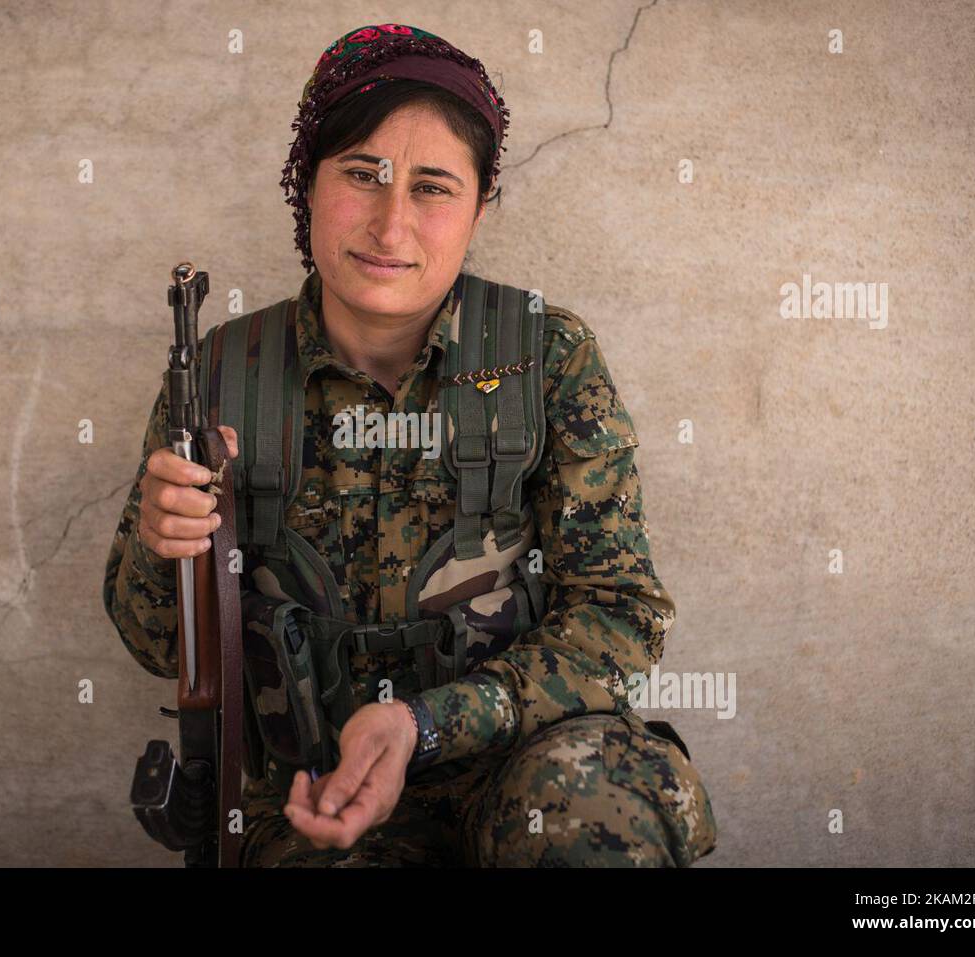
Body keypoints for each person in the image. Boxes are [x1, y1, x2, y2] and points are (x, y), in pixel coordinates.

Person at [103, 22, 717, 867]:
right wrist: (157, 542)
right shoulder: (222, 376)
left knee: (596, 800)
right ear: (306, 186)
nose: (391, 225)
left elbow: (621, 615)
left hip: (514, 773)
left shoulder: (543, 359)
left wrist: (427, 726)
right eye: (363, 175)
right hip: (307, 796)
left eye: (432, 187)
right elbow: (158, 645)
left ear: (480, 204)